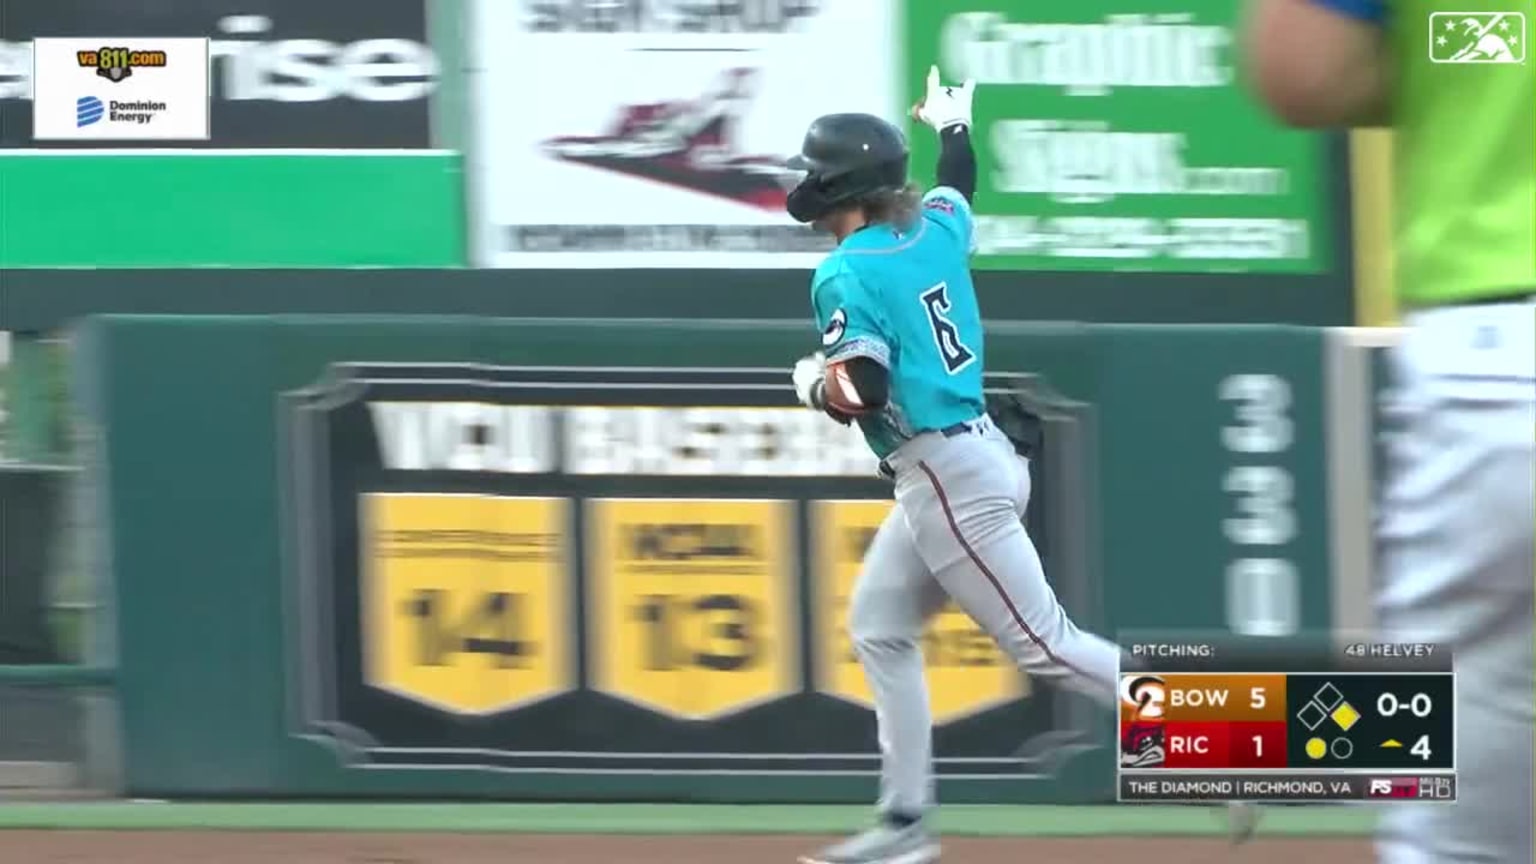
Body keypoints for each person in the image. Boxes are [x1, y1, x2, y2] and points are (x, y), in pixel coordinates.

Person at [785, 67, 1128, 864]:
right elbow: (956, 186)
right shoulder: (932, 231)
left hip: (945, 472)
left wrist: (811, 383)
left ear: (836, 186)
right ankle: (905, 826)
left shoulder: (845, 270)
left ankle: (1221, 736)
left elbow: (862, 390)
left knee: (1047, 645)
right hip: (977, 456)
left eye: (814, 174)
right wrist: (955, 126)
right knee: (879, 625)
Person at [1243, 1, 1535, 862]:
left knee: (1456, 840)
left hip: (1502, 353)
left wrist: (1469, 67)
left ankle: (1192, 731)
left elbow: (1303, 71)